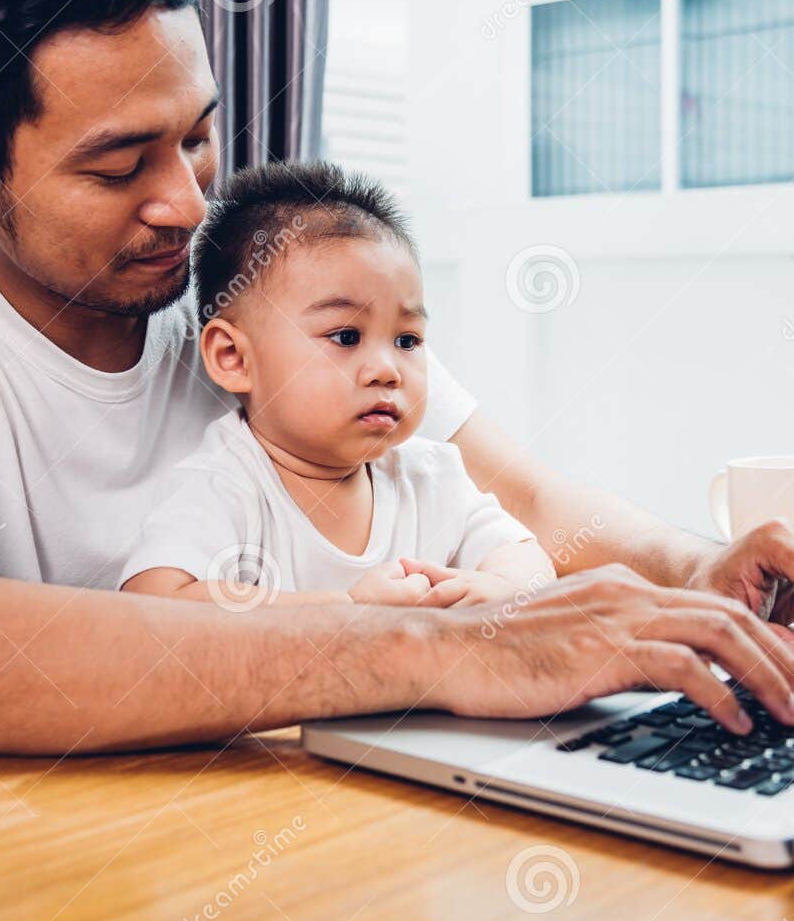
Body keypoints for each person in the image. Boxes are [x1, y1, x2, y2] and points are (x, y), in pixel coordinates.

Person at [0, 0, 794, 757]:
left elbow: (528, 499)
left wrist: (696, 573)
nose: (185, 202)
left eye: (195, 137)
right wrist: (440, 647)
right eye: (119, 164)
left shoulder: (262, 288)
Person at [119, 161, 555, 610]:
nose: (386, 370)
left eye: (408, 340)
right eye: (346, 337)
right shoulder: (224, 486)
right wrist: (344, 612)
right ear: (234, 358)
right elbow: (151, 601)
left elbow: (527, 556)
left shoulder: (431, 476)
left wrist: (503, 586)